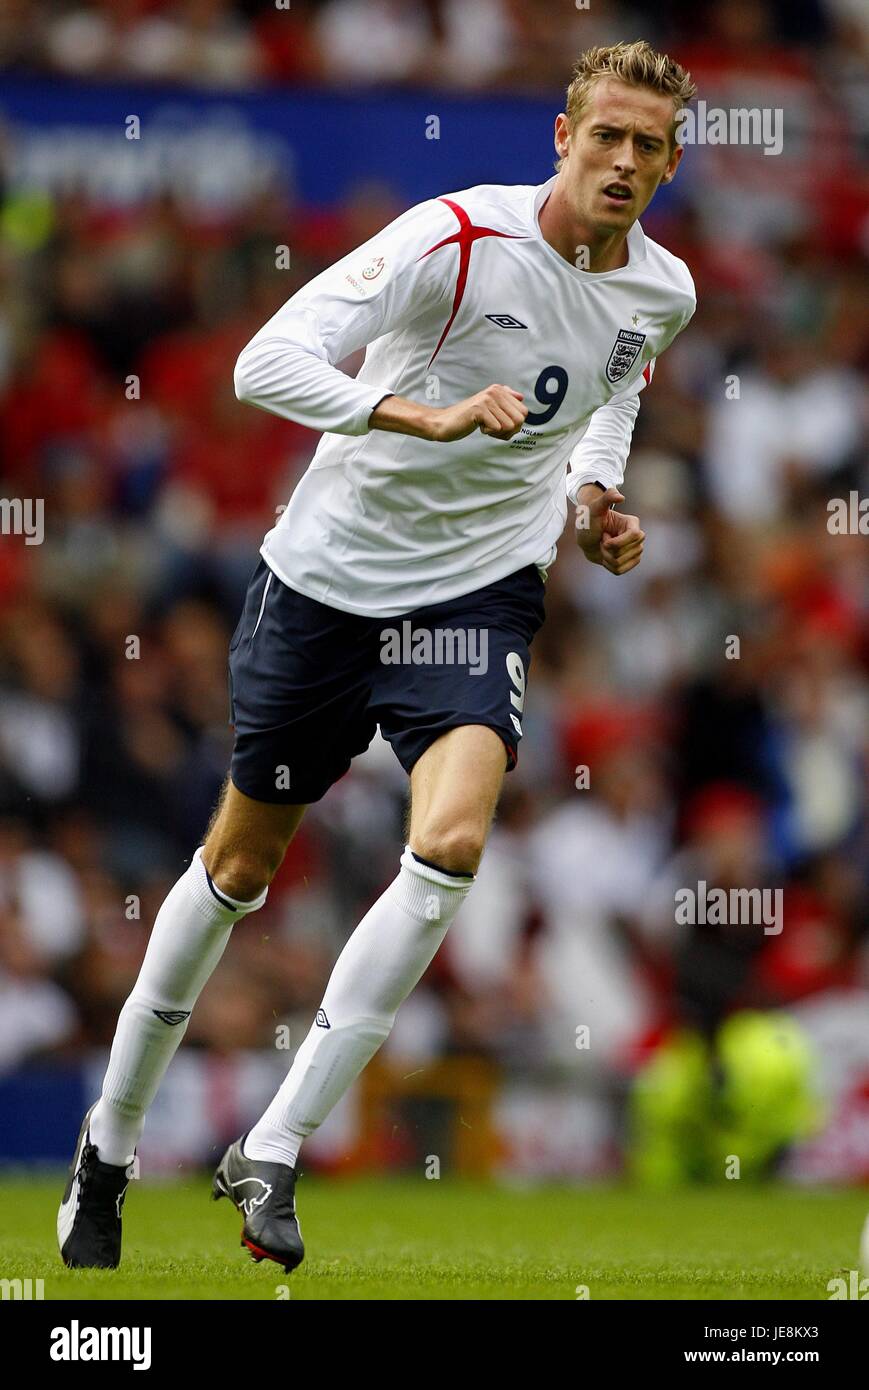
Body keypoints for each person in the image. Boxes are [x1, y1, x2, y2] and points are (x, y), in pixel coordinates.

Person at [59, 39, 697, 1272]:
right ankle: (111, 1142)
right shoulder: (452, 238)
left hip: (478, 591)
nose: (621, 161)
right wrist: (420, 411)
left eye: (647, 146)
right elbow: (263, 365)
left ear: (669, 165)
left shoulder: (659, 290)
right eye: (604, 135)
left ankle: (279, 1145)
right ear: (560, 137)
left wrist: (595, 493)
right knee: (239, 868)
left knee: (450, 843)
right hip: (328, 586)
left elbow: (614, 382)